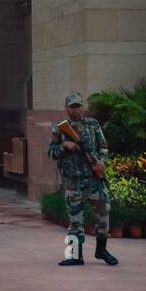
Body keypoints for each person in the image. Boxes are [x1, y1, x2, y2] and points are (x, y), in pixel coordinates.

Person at [48, 92, 117, 266]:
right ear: (66, 108)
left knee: (104, 213)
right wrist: (65, 146)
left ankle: (101, 251)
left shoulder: (93, 125)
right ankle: (75, 256)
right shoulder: (59, 128)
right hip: (73, 180)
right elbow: (51, 153)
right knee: (75, 220)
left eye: (78, 106)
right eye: (72, 106)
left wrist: (101, 162)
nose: (76, 109)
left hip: (94, 178)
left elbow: (103, 147)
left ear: (82, 107)